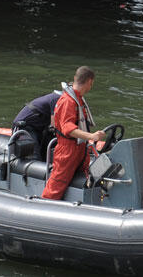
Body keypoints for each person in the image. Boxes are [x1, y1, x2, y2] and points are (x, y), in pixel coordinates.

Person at [41, 66, 106, 200]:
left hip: (80, 149)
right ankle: (44, 205)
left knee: (89, 175)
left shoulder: (77, 98)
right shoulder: (68, 101)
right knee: (55, 187)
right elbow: (68, 128)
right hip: (68, 150)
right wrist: (91, 136)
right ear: (90, 82)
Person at [10, 91, 61, 160]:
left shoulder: (55, 97)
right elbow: (54, 124)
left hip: (37, 128)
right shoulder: (56, 99)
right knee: (34, 156)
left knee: (44, 153)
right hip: (25, 126)